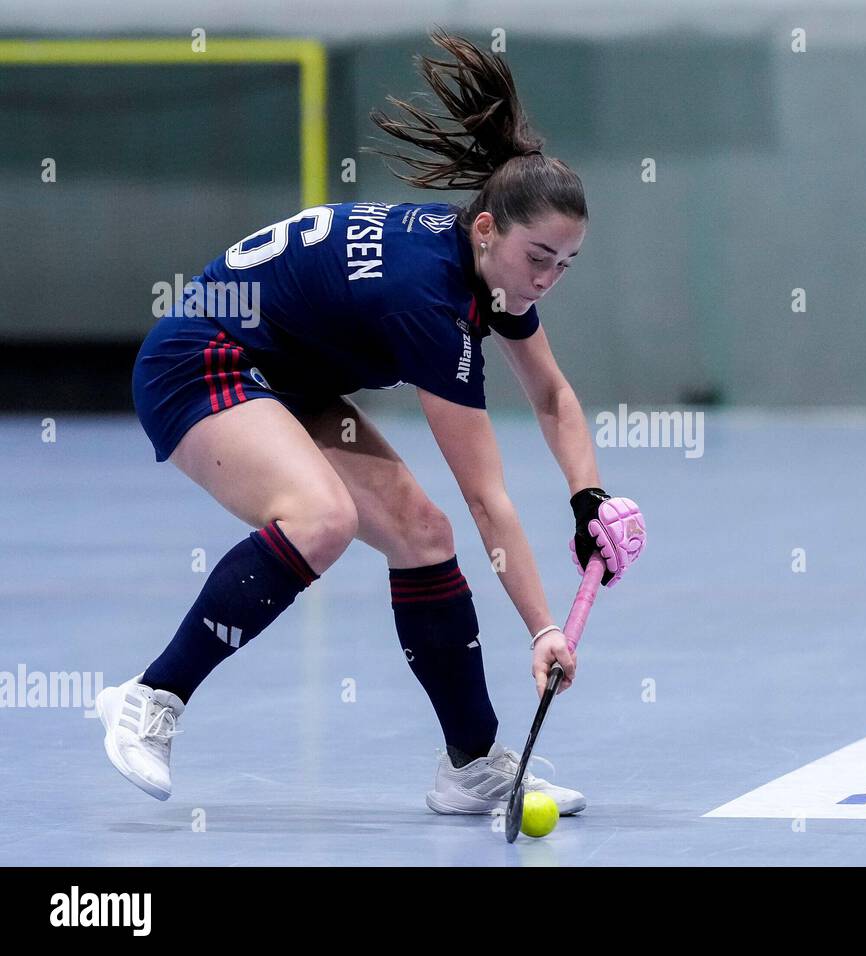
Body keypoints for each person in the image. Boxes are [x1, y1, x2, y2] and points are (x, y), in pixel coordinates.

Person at [95, 28, 645, 815]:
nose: (549, 279)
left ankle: (469, 766)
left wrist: (588, 498)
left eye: (566, 263)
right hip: (201, 362)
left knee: (422, 535)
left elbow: (553, 397)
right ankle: (150, 699)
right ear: (487, 229)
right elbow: (488, 498)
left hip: (288, 377)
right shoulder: (428, 301)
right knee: (321, 518)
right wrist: (542, 630)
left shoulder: (485, 267)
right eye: (539, 258)